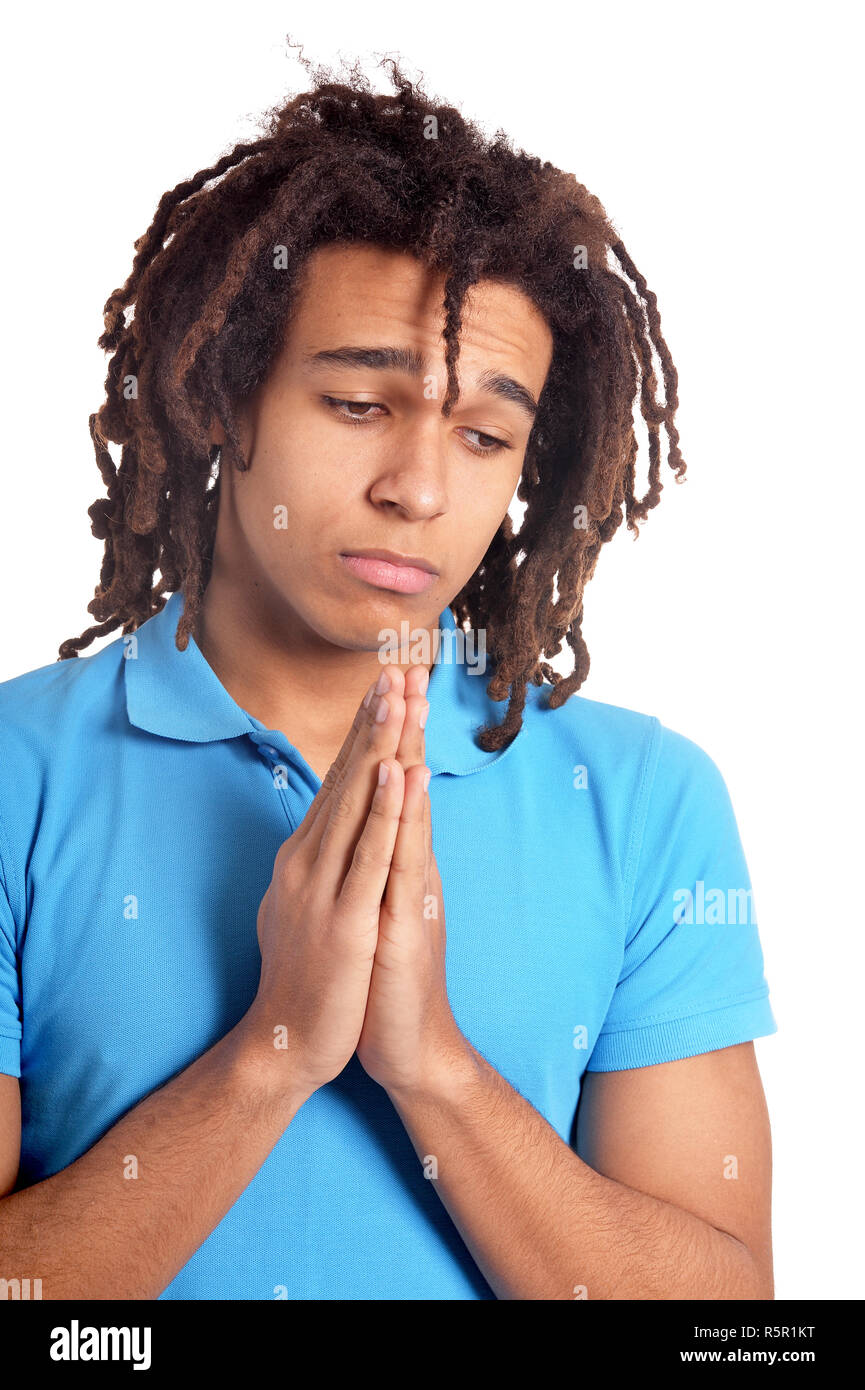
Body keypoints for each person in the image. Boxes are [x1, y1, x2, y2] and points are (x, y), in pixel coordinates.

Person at [0, 58, 776, 1300]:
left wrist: (437, 1071)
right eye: (361, 401)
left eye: (482, 435)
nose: (418, 487)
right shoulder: (14, 776)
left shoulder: (643, 800)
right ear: (219, 399)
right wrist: (274, 1050)